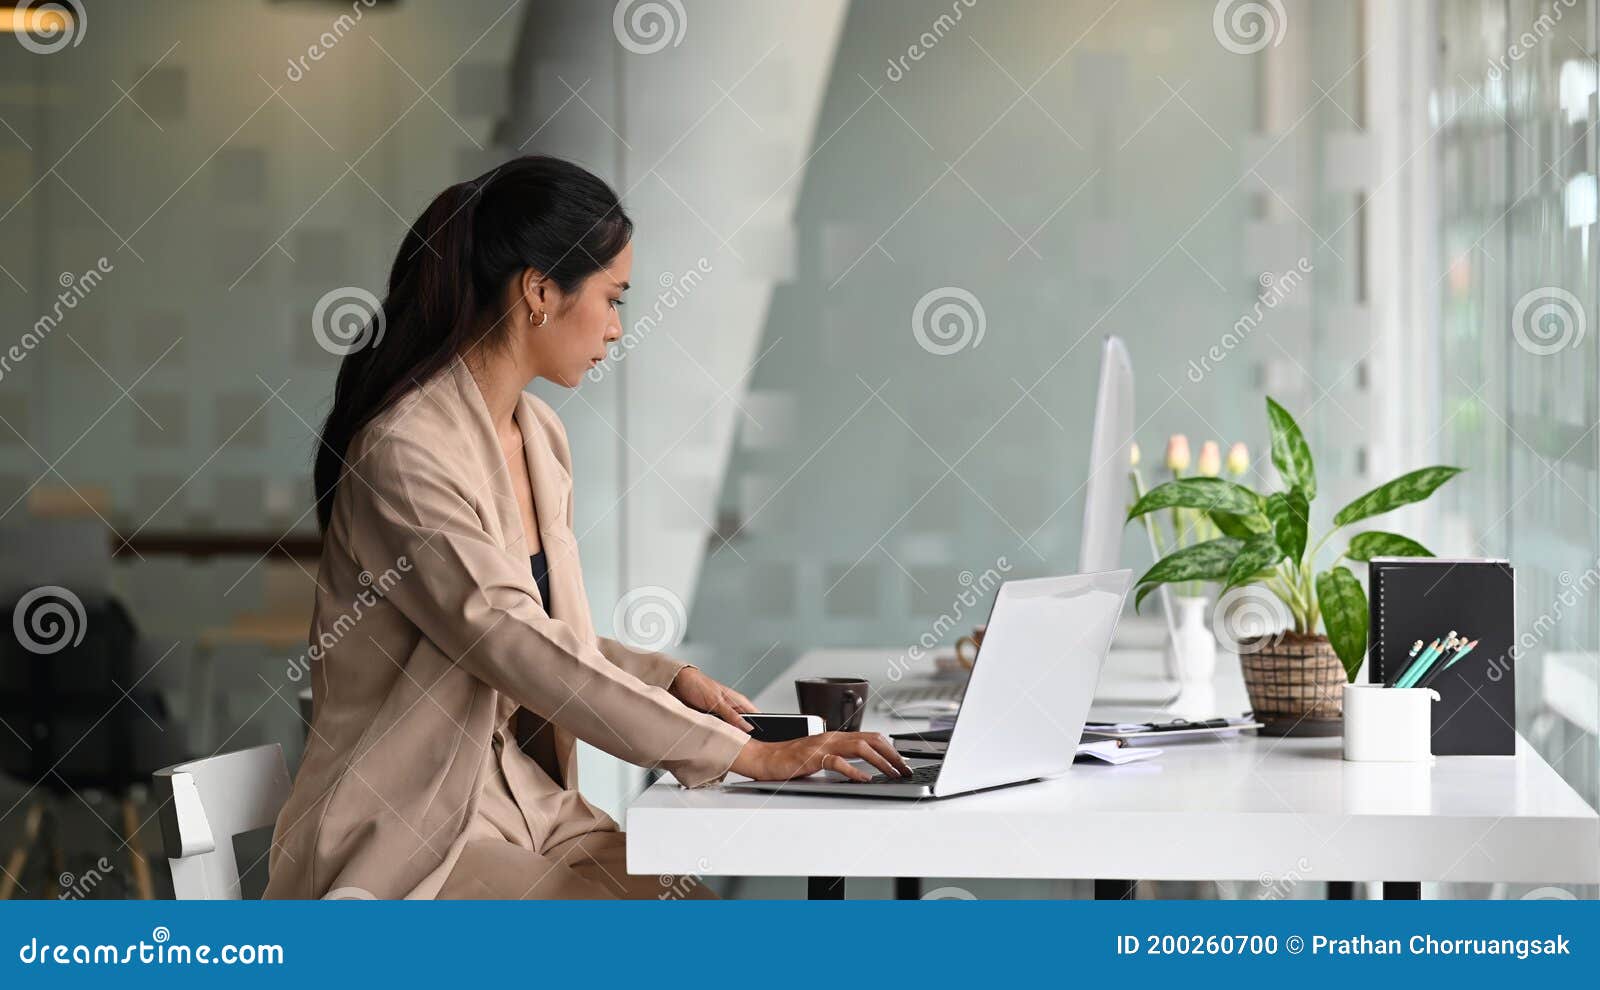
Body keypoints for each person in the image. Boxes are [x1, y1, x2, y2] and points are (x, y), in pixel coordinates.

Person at [264, 156, 910, 900]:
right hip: (414, 829)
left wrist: (671, 680)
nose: (615, 327)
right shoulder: (406, 449)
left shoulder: (540, 436)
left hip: (531, 803)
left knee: (695, 911)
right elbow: (504, 634)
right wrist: (741, 754)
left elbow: (538, 633)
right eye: (612, 298)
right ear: (539, 291)